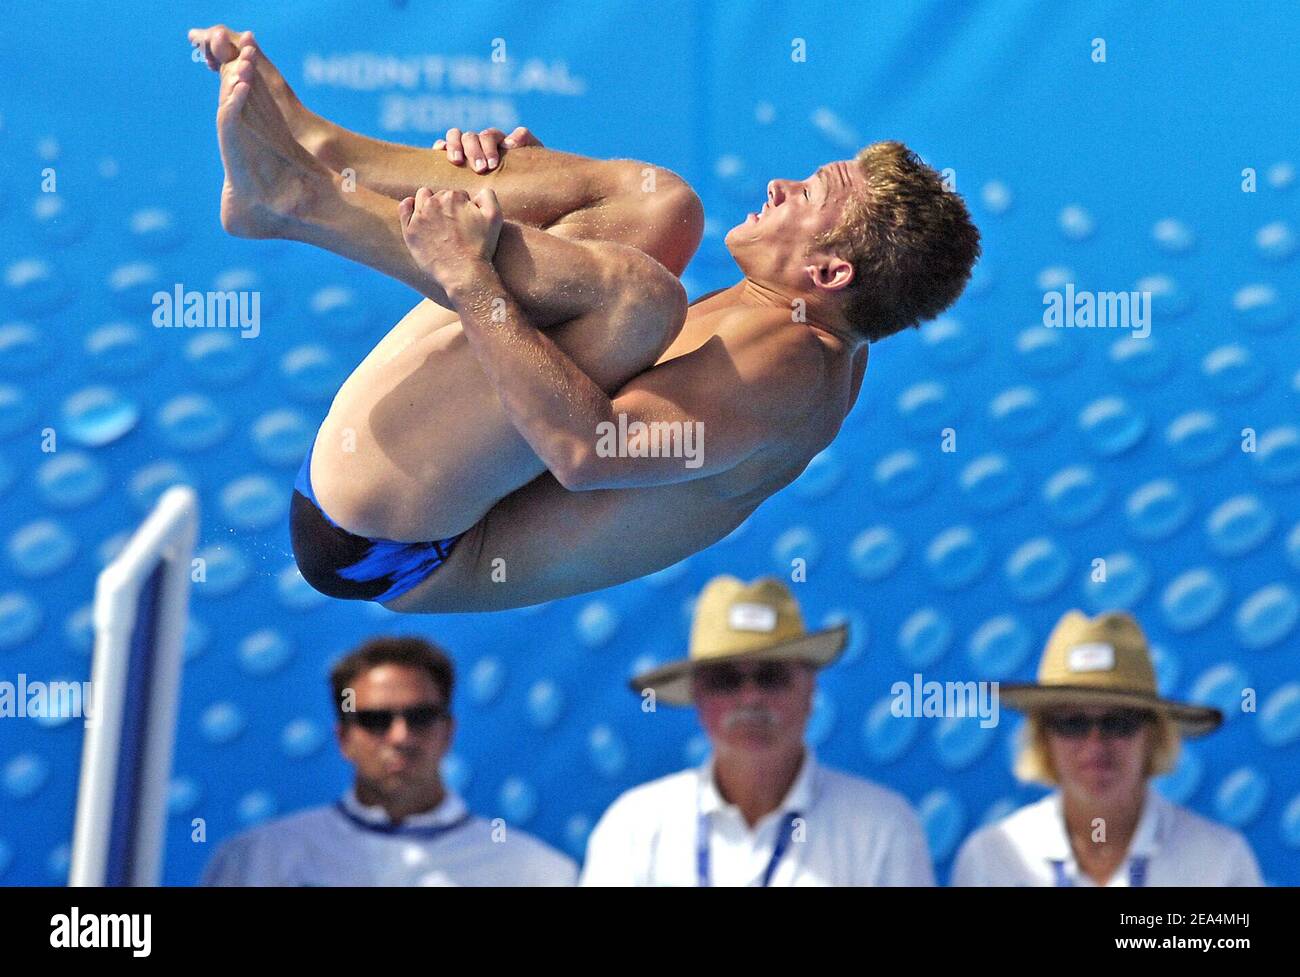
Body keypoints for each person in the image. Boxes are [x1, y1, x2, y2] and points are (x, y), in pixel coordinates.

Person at [188, 27, 981, 614]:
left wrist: (472, 274)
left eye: (807, 196)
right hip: (435, 471)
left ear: (831, 273)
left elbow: (583, 449)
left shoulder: (792, 374)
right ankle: (321, 150)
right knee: (660, 207)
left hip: (393, 538)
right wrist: (540, 199)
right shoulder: (810, 319)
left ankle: (296, 202)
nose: (779, 184)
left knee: (640, 298)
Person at [580, 575, 934, 886]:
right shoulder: (633, 826)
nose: (750, 698)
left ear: (810, 689)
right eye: (725, 679)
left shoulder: (884, 826)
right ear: (697, 695)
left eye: (771, 676)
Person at [201, 636, 576, 886]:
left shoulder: (536, 872)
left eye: (420, 717)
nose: (400, 737)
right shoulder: (258, 861)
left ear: (447, 730)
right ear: (344, 738)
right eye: (376, 720)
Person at [952, 610, 1264, 887]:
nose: (1095, 743)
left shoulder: (1220, 862)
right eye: (1072, 723)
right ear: (1043, 738)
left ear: (1153, 736)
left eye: (1119, 722)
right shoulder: (991, 858)